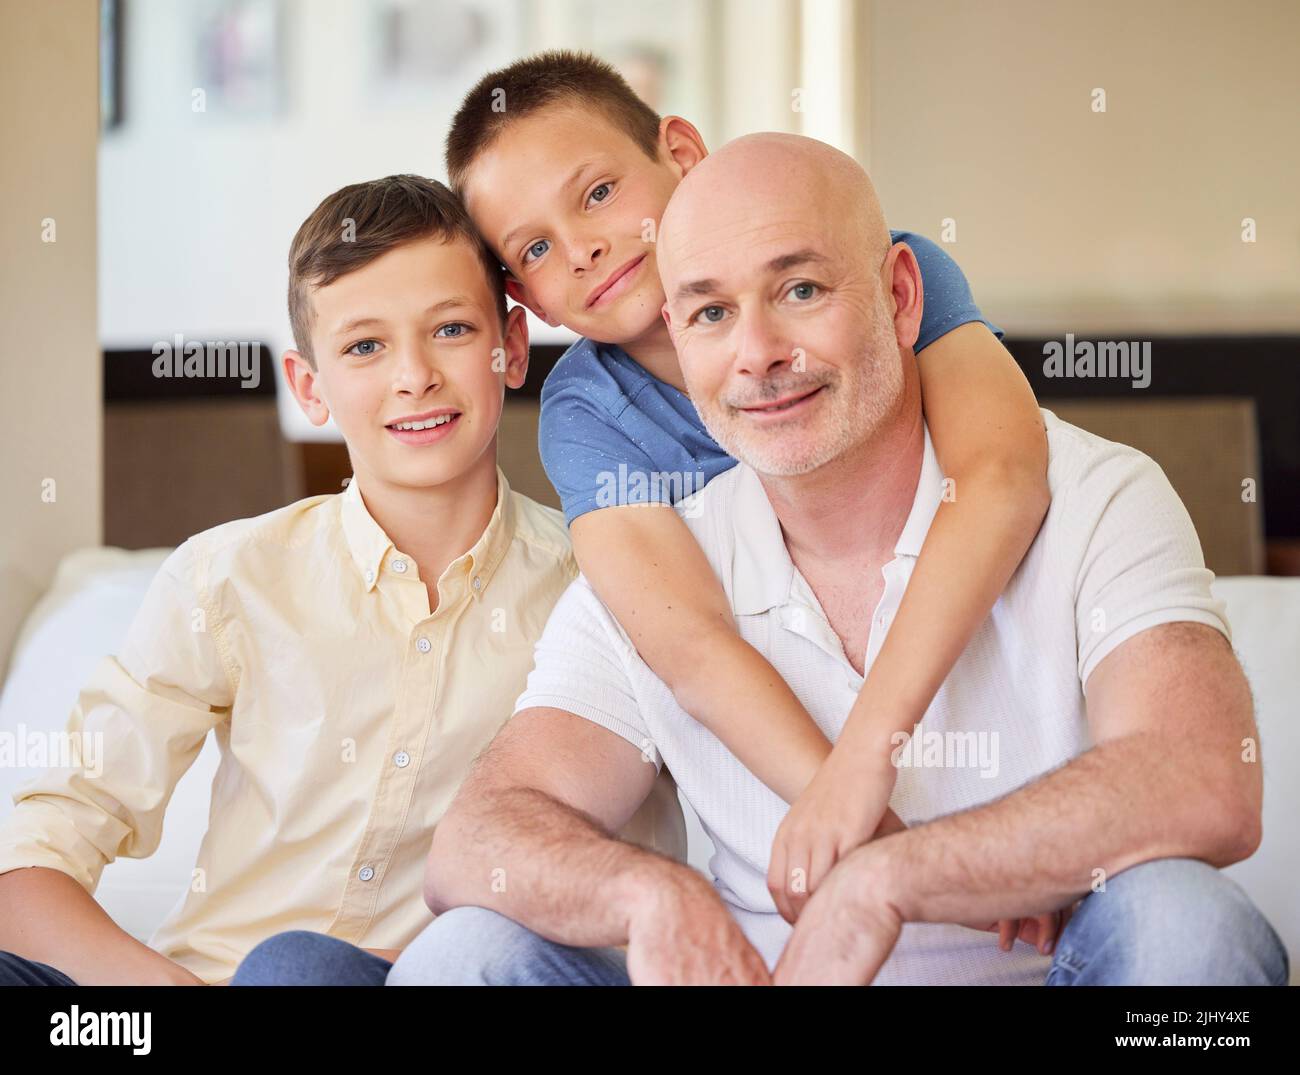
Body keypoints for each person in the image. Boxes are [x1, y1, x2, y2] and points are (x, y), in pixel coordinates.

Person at [392, 133, 1287, 986]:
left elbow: (1204, 775)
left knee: (1188, 919)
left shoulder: (1096, 497)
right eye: (710, 312)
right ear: (676, 332)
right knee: (462, 952)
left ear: (903, 295)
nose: (758, 356)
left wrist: (893, 874)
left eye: (803, 291)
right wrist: (649, 894)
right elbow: (476, 840)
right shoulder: (663, 561)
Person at [0, 174, 683, 987]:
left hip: (423, 975)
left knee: (297, 968)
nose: (414, 376)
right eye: (365, 346)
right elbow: (32, 867)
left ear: (508, 345)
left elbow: (618, 884)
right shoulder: (227, 578)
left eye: (452, 329)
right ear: (309, 384)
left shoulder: (595, 582)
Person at [442, 51, 1058, 936]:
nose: (582, 248)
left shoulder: (874, 277)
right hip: (793, 797)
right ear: (524, 297)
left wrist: (864, 765)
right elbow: (686, 640)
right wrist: (879, 833)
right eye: (535, 248)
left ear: (683, 154)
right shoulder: (587, 414)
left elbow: (1000, 475)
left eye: (599, 193)